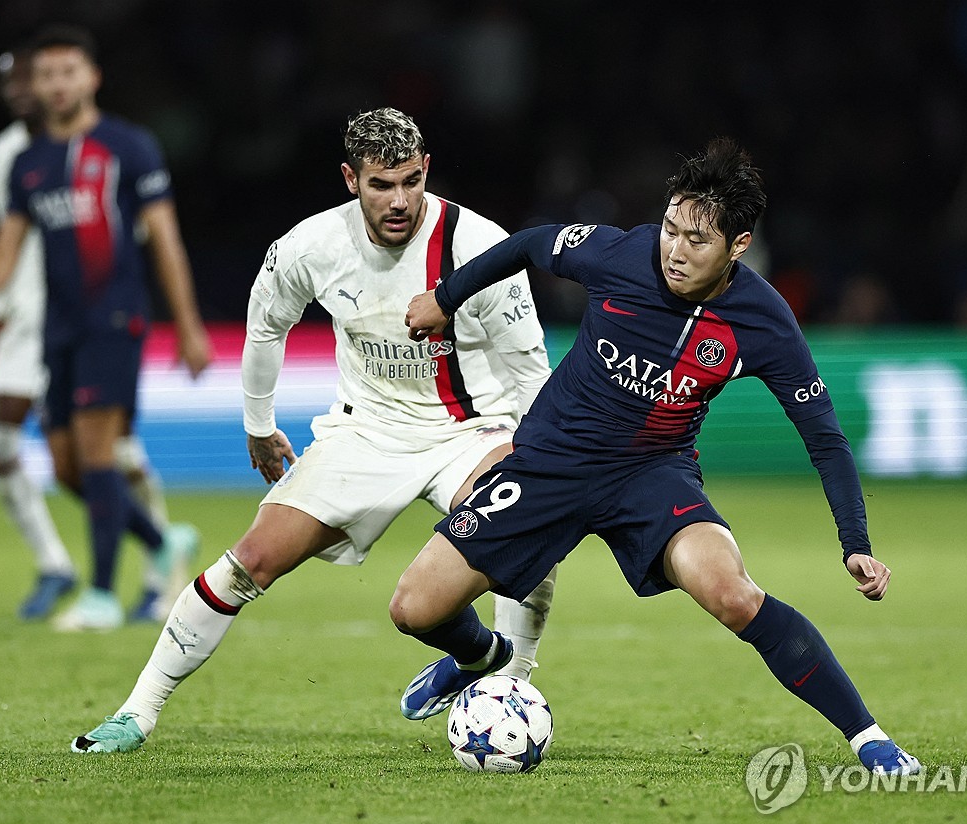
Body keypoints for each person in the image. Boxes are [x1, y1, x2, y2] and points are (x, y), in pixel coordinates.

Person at [393, 138, 920, 775]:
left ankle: (870, 740)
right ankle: (483, 659)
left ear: (739, 244)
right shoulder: (621, 253)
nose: (674, 249)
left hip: (652, 475)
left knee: (732, 594)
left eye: (696, 240)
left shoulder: (762, 320)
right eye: (670, 228)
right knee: (414, 608)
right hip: (552, 462)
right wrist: (445, 298)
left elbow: (824, 435)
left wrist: (854, 539)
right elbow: (533, 243)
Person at [67, 107, 557, 754]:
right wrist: (258, 424)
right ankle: (137, 712)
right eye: (382, 185)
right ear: (351, 178)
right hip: (366, 431)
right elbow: (266, 324)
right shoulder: (309, 246)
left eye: (411, 181)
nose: (399, 200)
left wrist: (546, 463)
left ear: (427, 171)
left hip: (473, 428)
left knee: (522, 527)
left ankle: (512, 686)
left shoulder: (479, 246)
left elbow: (530, 372)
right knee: (251, 561)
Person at [0, 24, 211, 631]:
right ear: (35, 85)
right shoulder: (28, 162)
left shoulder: (128, 147)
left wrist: (188, 324)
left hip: (113, 319)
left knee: (98, 452)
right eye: (46, 74)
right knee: (68, 466)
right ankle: (161, 539)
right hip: (58, 327)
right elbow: (9, 243)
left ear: (91, 77)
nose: (57, 84)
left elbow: (165, 239)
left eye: (69, 71)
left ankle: (100, 595)